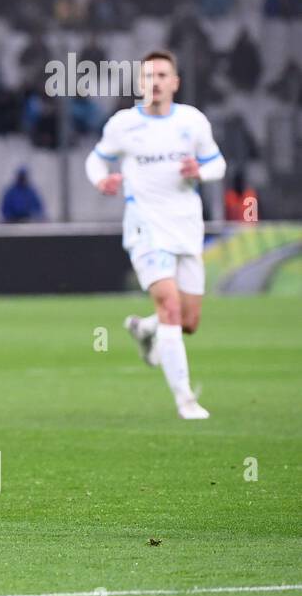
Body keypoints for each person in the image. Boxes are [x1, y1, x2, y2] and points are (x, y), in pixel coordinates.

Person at [86, 49, 225, 420]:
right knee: (170, 305)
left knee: (189, 321)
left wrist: (201, 171)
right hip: (145, 226)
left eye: (162, 76)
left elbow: (217, 163)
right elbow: (96, 157)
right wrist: (102, 179)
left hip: (186, 226)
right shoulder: (123, 125)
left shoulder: (193, 122)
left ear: (175, 82)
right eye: (148, 77)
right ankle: (186, 400)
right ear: (140, 83)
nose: (155, 83)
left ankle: (145, 330)